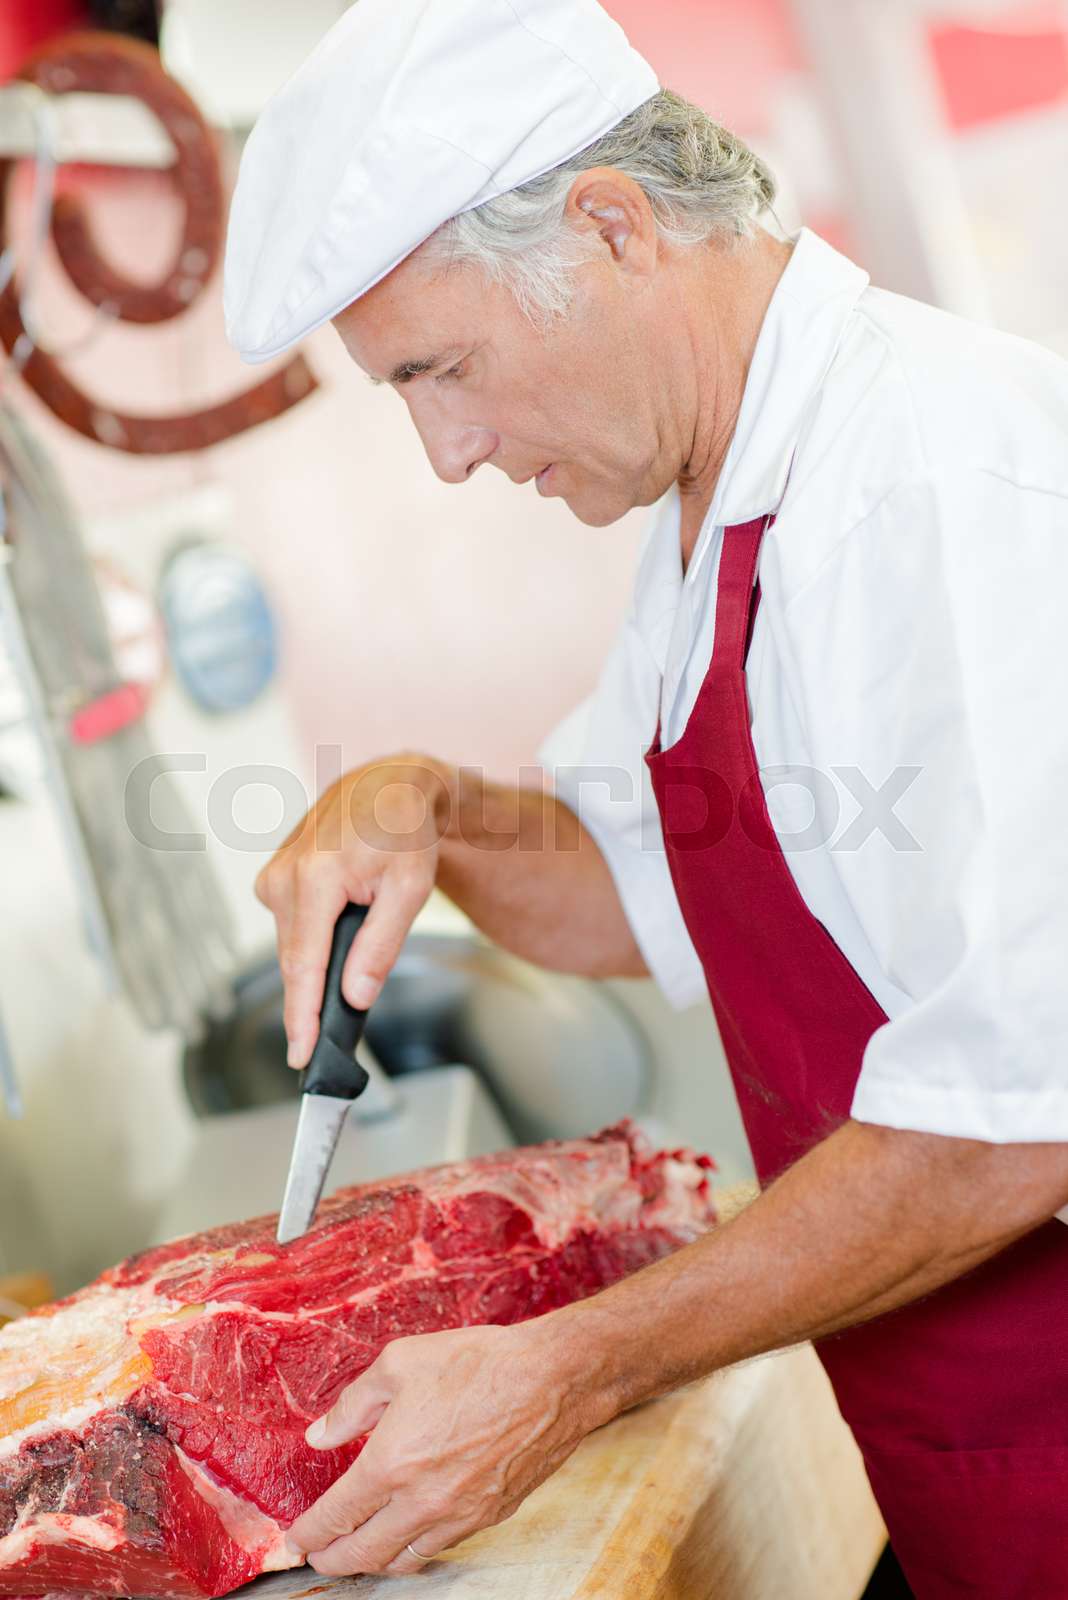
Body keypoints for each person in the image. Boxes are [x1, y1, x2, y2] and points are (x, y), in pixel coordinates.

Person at [224, 2, 1068, 1593]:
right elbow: (651, 881)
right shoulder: (713, 497)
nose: (448, 454)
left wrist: (574, 1367)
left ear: (612, 229)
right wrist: (432, 807)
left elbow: (1020, 1115)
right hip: (971, 1477)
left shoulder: (931, 481)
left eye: (444, 369)